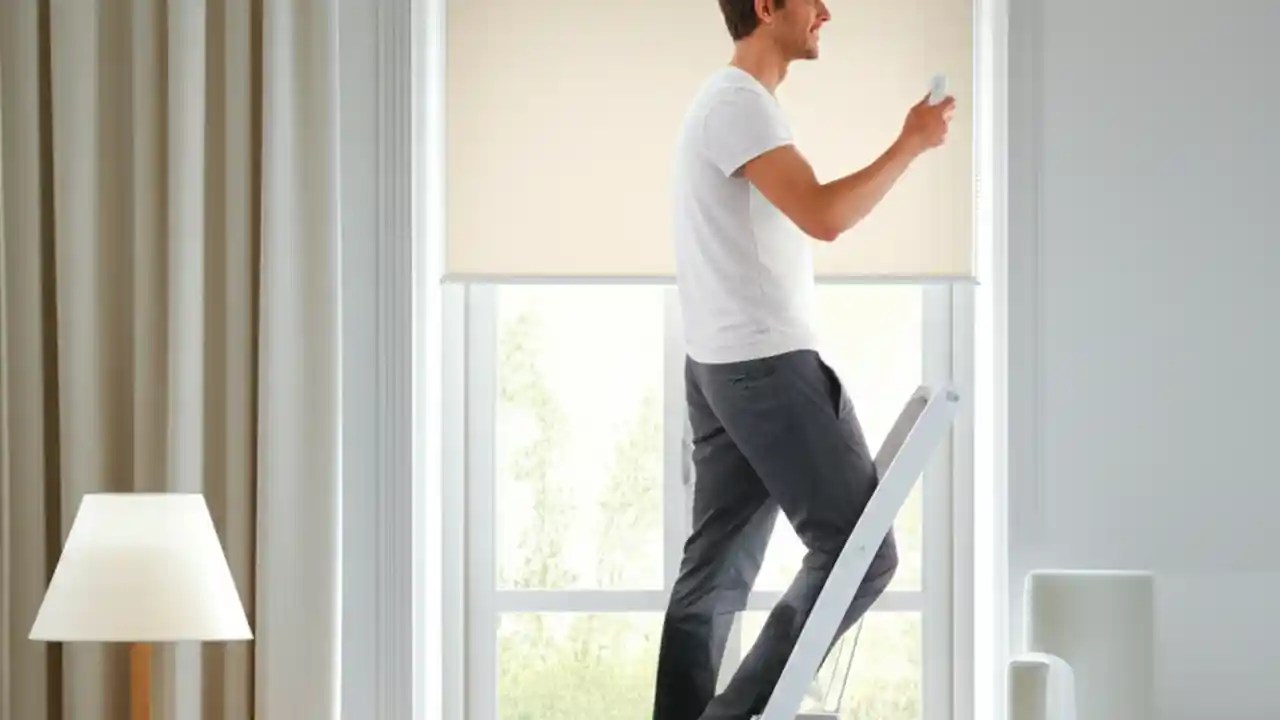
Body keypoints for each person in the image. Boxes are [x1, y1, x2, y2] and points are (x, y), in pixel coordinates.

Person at [654, 1, 955, 718]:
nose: (826, 12)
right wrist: (910, 142)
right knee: (863, 556)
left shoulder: (727, 103)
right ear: (766, 7)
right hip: (763, 367)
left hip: (722, 364)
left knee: (715, 574)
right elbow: (823, 214)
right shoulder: (739, 104)